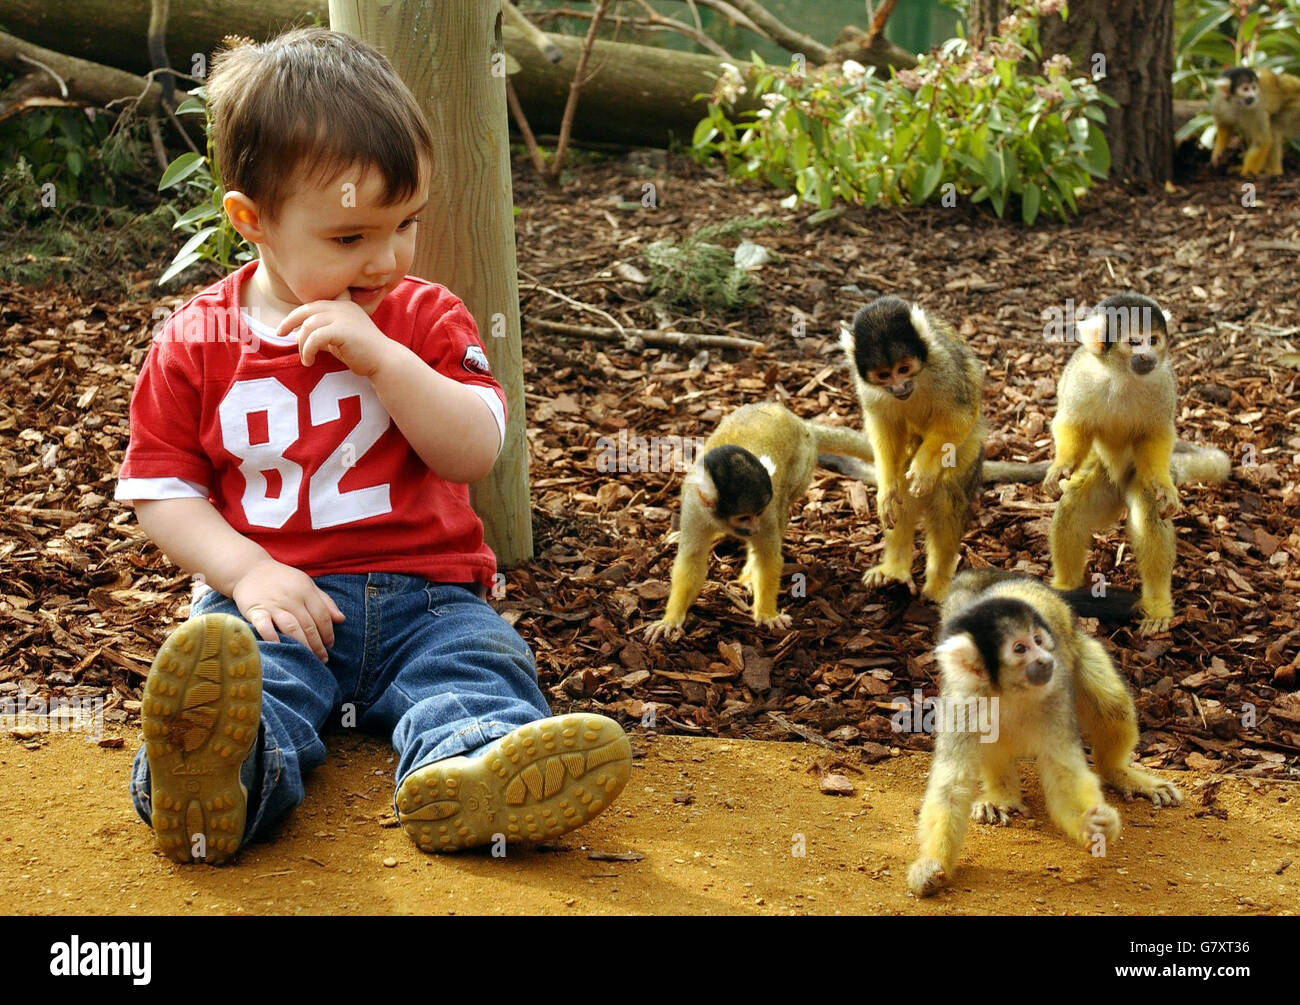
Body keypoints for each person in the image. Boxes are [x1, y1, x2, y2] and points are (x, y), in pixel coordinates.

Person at [115, 27, 630, 865]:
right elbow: (163, 490)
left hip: (430, 604)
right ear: (251, 220)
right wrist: (246, 572)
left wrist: (385, 359)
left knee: (478, 667)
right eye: (350, 239)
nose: (387, 259)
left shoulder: (424, 318)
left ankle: (472, 772)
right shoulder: (198, 336)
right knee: (249, 688)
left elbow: (473, 449)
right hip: (281, 602)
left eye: (406, 225)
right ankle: (222, 780)